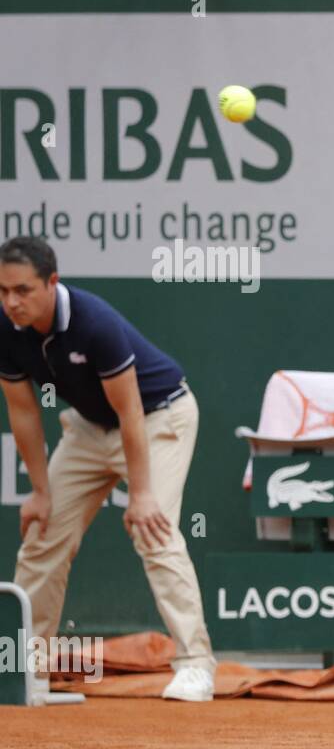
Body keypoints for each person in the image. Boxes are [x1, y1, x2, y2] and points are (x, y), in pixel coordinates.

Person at [0, 236, 216, 700]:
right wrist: (39, 490)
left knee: (153, 529)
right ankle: (23, 666)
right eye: (3, 291)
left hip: (159, 417)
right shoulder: (5, 328)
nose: (11, 302)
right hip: (88, 428)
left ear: (51, 283)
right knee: (43, 535)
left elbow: (131, 410)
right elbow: (22, 412)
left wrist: (140, 494)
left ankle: (196, 664)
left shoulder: (93, 321)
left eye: (22, 291)